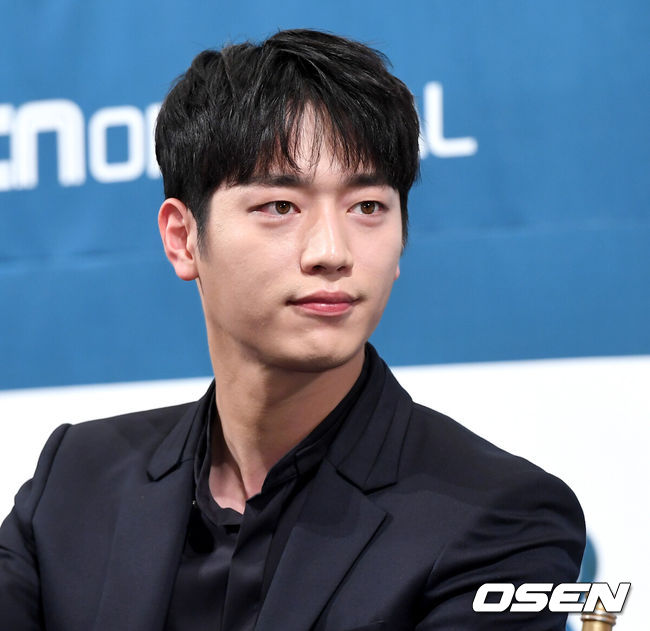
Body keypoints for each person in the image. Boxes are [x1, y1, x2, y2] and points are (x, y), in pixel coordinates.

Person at [0, 29, 584, 630]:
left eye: (367, 207)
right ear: (183, 238)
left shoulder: (501, 516)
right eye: (280, 207)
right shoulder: (75, 479)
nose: (332, 252)